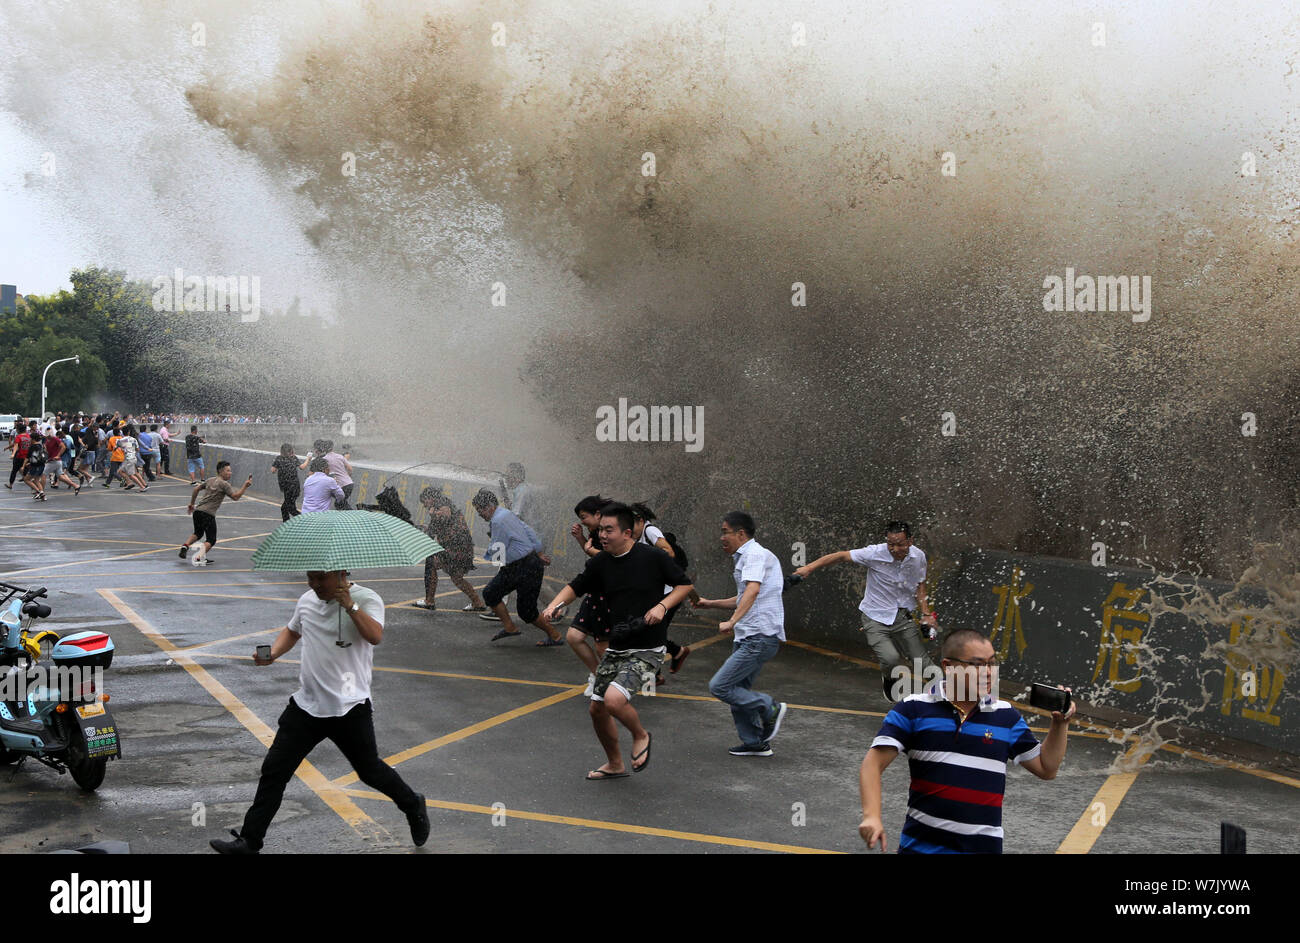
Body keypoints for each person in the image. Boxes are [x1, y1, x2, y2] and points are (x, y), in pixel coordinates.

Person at [209, 570, 429, 853]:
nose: (314, 585)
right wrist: (274, 653)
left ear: (341, 574)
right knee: (274, 771)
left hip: (349, 708)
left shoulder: (367, 598)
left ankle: (413, 804)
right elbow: (292, 630)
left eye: (320, 579)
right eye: (310, 578)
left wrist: (350, 606)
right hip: (306, 707)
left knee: (370, 771)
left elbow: (374, 636)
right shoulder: (306, 600)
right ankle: (250, 842)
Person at [858, 628, 1075, 854]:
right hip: (920, 849)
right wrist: (872, 816)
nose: (988, 672)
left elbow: (1046, 768)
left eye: (992, 664)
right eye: (978, 665)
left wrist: (1060, 725)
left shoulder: (1006, 716)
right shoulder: (914, 708)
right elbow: (872, 764)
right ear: (948, 666)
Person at [539, 502, 693, 779]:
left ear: (627, 533)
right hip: (617, 646)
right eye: (600, 530)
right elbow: (576, 586)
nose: (602, 536)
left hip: (647, 648)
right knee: (597, 709)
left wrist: (662, 606)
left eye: (608, 530)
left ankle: (641, 735)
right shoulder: (601, 562)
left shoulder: (652, 557)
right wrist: (553, 606)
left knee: (613, 701)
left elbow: (684, 585)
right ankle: (615, 764)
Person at [794, 521, 937, 699]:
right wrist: (809, 568)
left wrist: (926, 614)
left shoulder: (919, 557)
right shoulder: (874, 553)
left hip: (902, 617)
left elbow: (920, 584)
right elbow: (841, 556)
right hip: (874, 617)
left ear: (910, 541)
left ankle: (949, 698)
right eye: (890, 544)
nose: (894, 548)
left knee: (923, 663)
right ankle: (889, 678)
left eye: (899, 544)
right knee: (891, 659)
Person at [693, 511, 788, 757]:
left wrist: (732, 621)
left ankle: (771, 708)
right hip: (751, 636)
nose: (721, 537)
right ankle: (755, 743)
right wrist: (710, 603)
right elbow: (743, 596)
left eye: (725, 532)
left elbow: (752, 591)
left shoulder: (754, 555)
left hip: (757, 636)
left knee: (720, 686)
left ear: (741, 533)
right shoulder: (750, 557)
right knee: (737, 690)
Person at [471, 488, 561, 645]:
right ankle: (510, 627)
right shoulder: (506, 513)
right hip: (528, 563)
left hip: (523, 567)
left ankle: (555, 636)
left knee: (526, 611)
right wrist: (539, 553)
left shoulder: (497, 521)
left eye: (481, 512)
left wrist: (487, 553)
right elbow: (529, 531)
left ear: (490, 507)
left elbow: (498, 552)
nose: (481, 515)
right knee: (491, 593)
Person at [631, 503, 691, 681]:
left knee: (649, 631)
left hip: (669, 593)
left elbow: (668, 552)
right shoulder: (639, 536)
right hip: (657, 591)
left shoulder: (650, 531)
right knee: (647, 631)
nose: (628, 530)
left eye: (631, 525)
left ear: (640, 521)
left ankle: (658, 671)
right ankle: (674, 654)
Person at [564, 494, 612, 694]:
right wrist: (580, 538)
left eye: (584, 517)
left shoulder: (610, 533)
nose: (582, 521)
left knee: (603, 646)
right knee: (574, 636)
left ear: (598, 514)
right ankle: (599, 675)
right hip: (593, 591)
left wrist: (590, 550)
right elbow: (590, 551)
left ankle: (616, 683)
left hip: (607, 595)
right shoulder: (594, 532)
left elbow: (613, 560)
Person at [412, 487, 484, 613]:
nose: (424, 506)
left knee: (431, 563)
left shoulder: (442, 506)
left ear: (431, 498)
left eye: (425, 502)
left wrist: (434, 515)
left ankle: (429, 601)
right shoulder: (442, 505)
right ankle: (477, 602)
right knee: (456, 577)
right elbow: (443, 525)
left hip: (457, 548)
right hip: (461, 548)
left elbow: (444, 518)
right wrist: (428, 526)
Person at [181, 461, 253, 564]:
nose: (230, 473)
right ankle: (199, 557)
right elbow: (235, 497)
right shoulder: (224, 484)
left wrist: (192, 504)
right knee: (211, 539)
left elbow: (196, 489)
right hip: (208, 513)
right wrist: (245, 486)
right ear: (221, 471)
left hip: (198, 511)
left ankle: (185, 546)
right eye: (228, 470)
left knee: (198, 532)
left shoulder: (210, 480)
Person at [41, 428, 81, 495]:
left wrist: (58, 455)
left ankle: (41, 492)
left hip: (55, 461)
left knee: (43, 474)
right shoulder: (47, 441)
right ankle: (75, 486)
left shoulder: (55, 439)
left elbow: (63, 447)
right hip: (54, 461)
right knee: (60, 477)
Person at [320, 440, 354, 510]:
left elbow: (324, 474)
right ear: (332, 447)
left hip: (340, 486)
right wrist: (347, 477)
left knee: (340, 504)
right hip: (349, 484)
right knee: (341, 503)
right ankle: (352, 516)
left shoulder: (324, 459)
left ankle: (355, 516)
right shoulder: (340, 456)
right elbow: (350, 469)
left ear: (323, 448)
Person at [271, 443, 301, 521]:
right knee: (287, 508)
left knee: (290, 509)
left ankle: (304, 521)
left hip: (286, 487)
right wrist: (308, 459)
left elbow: (273, 470)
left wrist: (276, 464)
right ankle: (288, 525)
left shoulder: (279, 458)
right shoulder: (294, 458)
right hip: (295, 487)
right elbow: (302, 467)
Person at [5, 419, 30, 490]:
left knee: (14, 470)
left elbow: (15, 446)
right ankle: (33, 483)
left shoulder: (18, 437)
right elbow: (15, 444)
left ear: (18, 430)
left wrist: (13, 454)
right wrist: (8, 447)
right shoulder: (28, 436)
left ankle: (10, 484)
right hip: (27, 457)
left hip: (19, 456)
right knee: (25, 470)